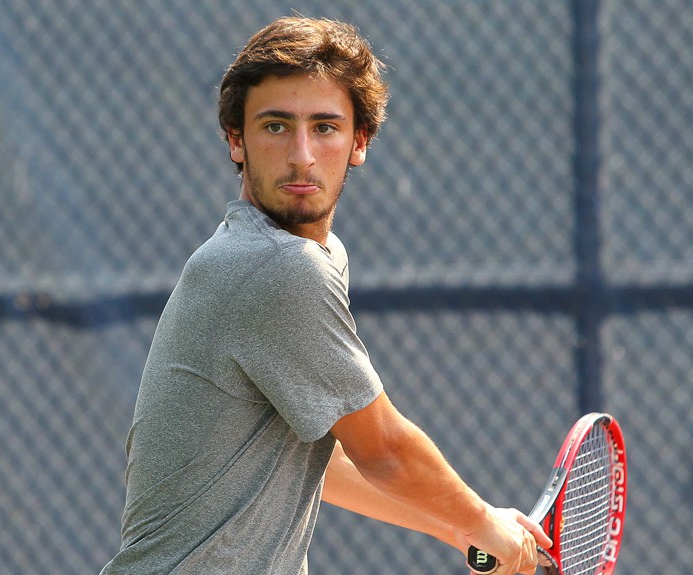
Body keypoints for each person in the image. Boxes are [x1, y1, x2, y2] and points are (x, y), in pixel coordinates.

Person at [101, 16, 551, 575]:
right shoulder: (277, 266)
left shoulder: (306, 255)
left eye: (325, 127)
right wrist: (483, 523)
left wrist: (464, 528)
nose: (302, 155)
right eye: (274, 127)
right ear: (235, 140)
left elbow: (326, 461)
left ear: (359, 141)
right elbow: (382, 447)